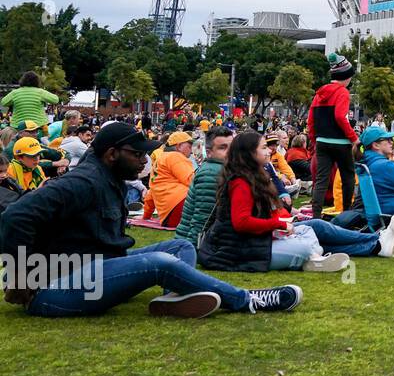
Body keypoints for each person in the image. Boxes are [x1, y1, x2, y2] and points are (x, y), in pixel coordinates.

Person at [1, 122, 301, 318]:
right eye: (136, 154)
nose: (145, 161)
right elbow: (15, 216)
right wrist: (22, 275)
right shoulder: (83, 182)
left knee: (181, 248)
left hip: (96, 265)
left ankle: (175, 297)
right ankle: (246, 300)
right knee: (158, 262)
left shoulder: (109, 177)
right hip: (54, 290)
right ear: (111, 154)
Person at [198, 131, 394, 274]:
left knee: (315, 229)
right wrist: (279, 224)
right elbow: (241, 222)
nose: (270, 150)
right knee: (309, 241)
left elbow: (260, 214)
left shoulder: (253, 175)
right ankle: (376, 242)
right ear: (249, 154)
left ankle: (377, 243)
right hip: (238, 248)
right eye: (263, 148)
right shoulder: (241, 181)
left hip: (251, 241)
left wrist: (283, 220)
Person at [308, 53, 360, 220]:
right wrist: (353, 138)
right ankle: (346, 214)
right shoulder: (343, 92)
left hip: (322, 142)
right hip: (341, 142)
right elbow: (340, 116)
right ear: (346, 76)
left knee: (321, 180)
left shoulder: (319, 94)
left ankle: (315, 216)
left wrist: (314, 140)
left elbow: (310, 120)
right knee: (348, 177)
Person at [176, 127, 233, 243]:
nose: (230, 152)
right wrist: (193, 248)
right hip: (196, 241)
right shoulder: (212, 173)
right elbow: (202, 218)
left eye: (232, 147)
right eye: (223, 148)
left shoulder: (223, 168)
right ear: (209, 152)